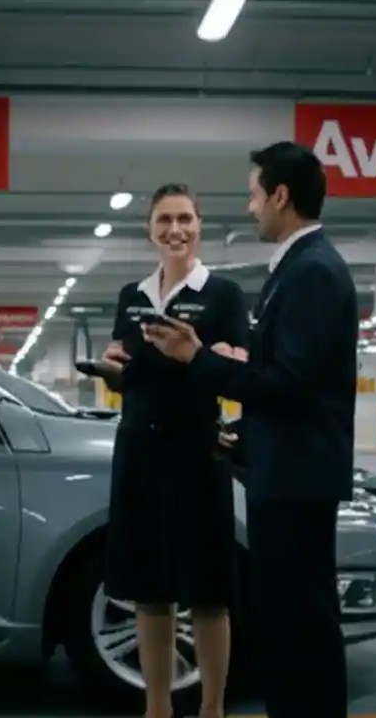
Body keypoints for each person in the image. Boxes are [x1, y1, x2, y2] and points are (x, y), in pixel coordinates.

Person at [141, 142, 358, 718]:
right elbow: (291, 382)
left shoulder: (311, 271)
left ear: (281, 197)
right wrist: (247, 436)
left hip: (296, 481)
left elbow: (285, 381)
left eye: (255, 194)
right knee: (294, 625)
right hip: (287, 468)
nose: (250, 206)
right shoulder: (301, 267)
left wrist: (197, 358)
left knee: (300, 629)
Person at [94, 182, 250, 718]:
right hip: (138, 449)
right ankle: (155, 708)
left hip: (196, 452)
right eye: (164, 220)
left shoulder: (224, 295)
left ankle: (212, 707)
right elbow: (127, 376)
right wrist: (114, 368)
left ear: (200, 225)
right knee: (149, 588)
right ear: (150, 229)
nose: (175, 230)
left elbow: (236, 370)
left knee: (208, 591)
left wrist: (200, 353)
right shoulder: (132, 296)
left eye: (184, 218)